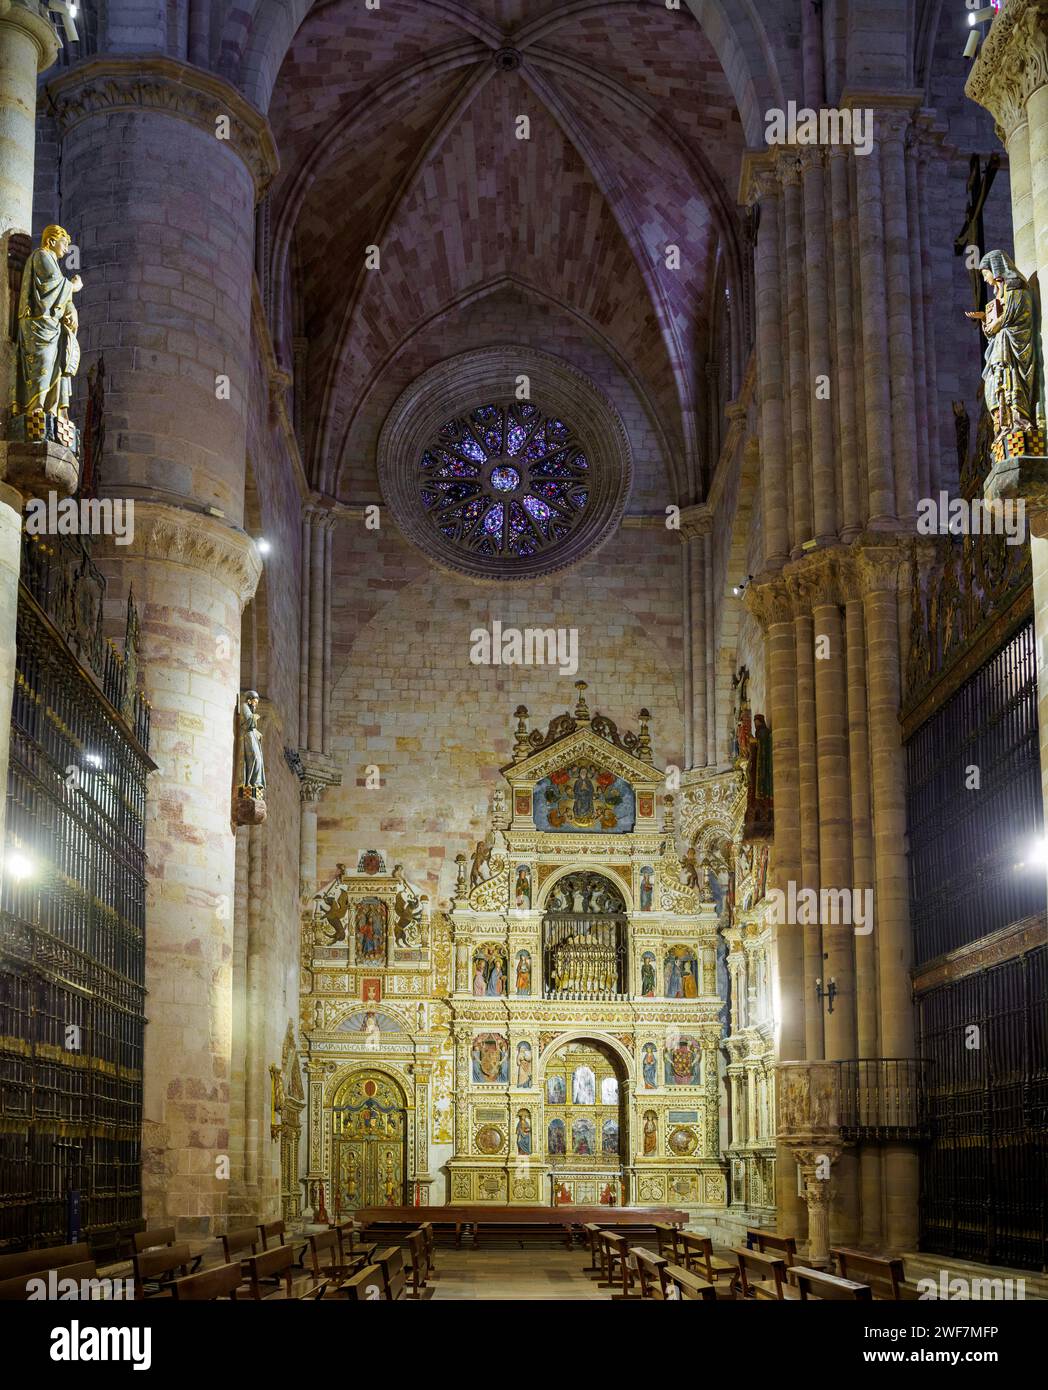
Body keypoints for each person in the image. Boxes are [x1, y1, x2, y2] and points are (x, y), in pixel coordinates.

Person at [14, 224, 82, 422]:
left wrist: (72, 310)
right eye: (64, 243)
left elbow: (61, 297)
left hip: (50, 325)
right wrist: (74, 286)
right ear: (51, 241)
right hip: (38, 325)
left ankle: (51, 410)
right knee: (42, 363)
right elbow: (52, 285)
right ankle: (36, 408)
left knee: (56, 366)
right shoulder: (42, 255)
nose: (67, 249)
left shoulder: (53, 259)